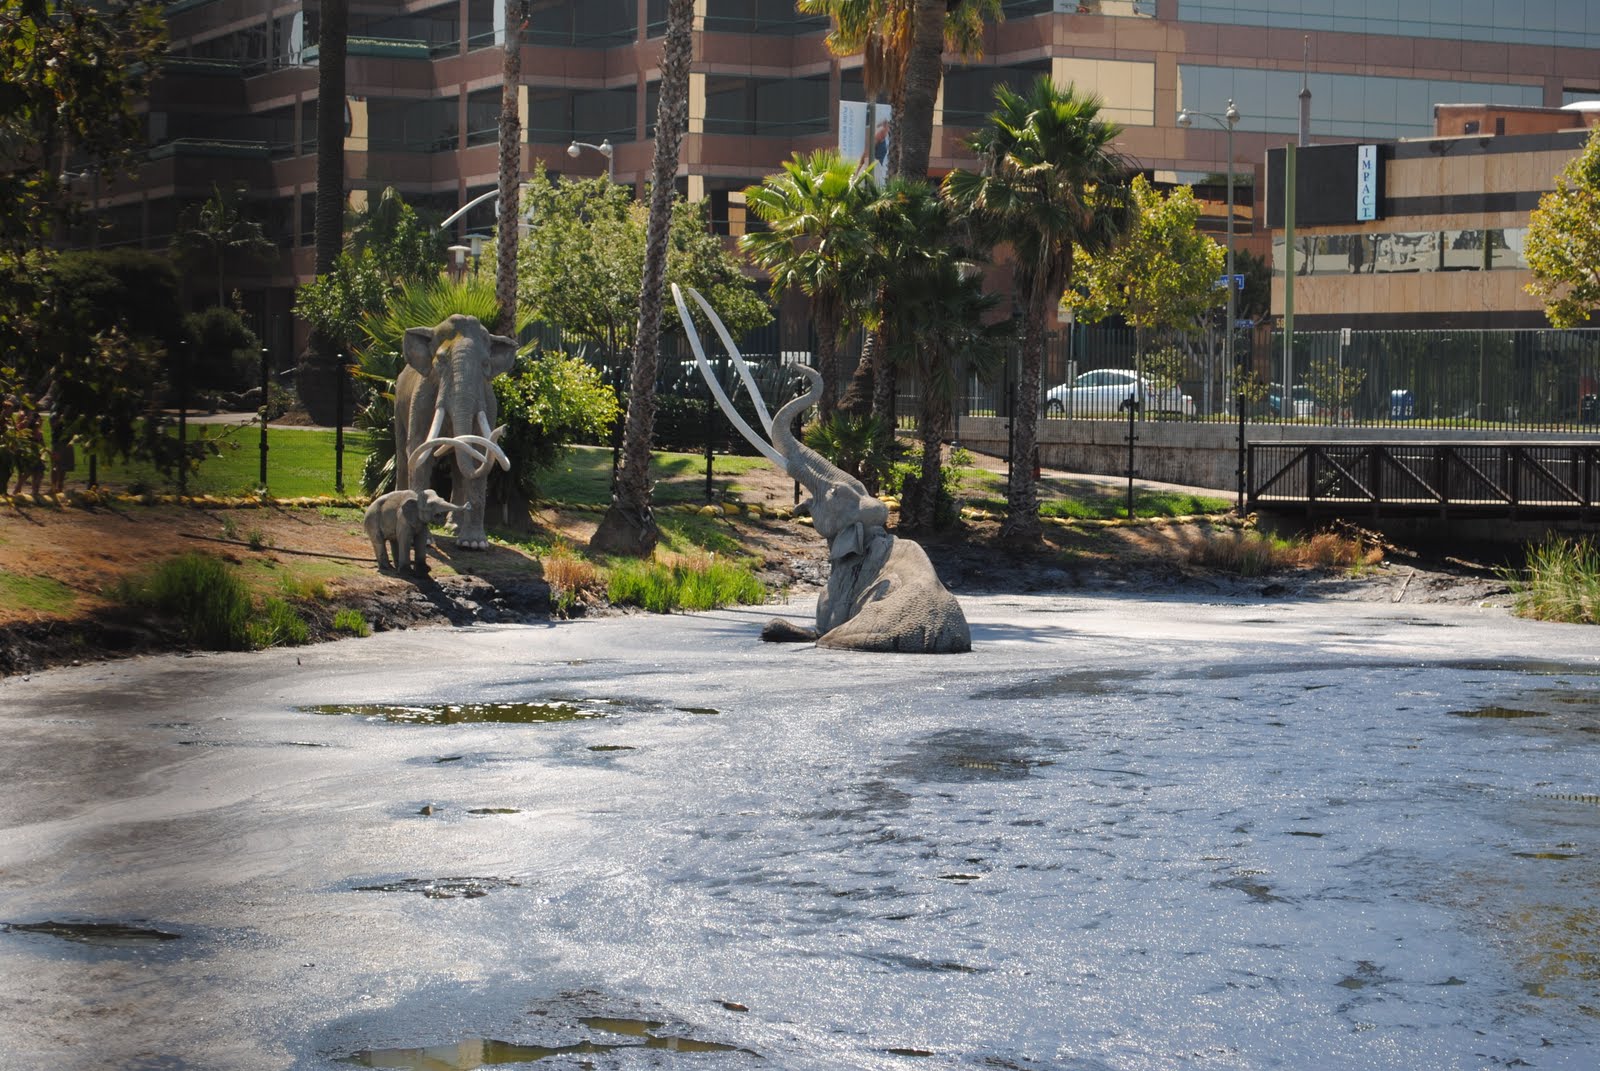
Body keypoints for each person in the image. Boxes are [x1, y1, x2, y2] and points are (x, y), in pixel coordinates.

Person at [13, 405, 43, 497]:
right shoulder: (22, 414)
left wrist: (42, 444)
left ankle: (35, 492)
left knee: (39, 470)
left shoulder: (36, 415)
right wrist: (27, 420)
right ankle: (16, 491)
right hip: (25, 445)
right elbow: (18, 429)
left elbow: (39, 430)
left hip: (35, 444)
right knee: (27, 470)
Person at [48, 412, 74, 495]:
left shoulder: (66, 421)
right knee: (55, 466)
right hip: (58, 444)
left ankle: (59, 487)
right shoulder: (55, 416)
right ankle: (53, 487)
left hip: (64, 444)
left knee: (62, 467)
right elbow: (53, 426)